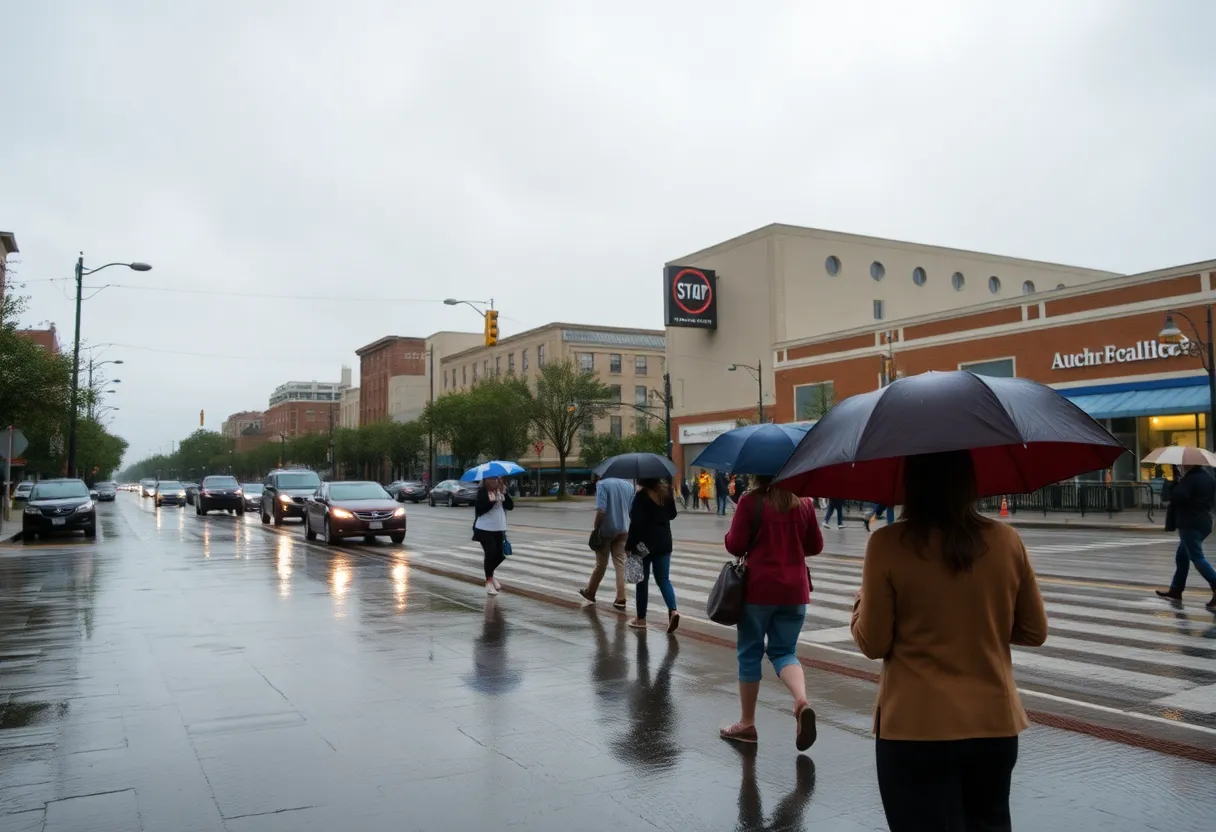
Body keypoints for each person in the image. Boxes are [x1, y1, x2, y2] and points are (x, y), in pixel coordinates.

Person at [851, 450, 1048, 830]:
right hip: (994, 724)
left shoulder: (888, 544)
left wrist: (858, 610)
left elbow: (874, 643)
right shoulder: (1006, 540)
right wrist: (983, 618)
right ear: (969, 483)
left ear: (912, 484)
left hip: (914, 728)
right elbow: (1034, 631)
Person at [719, 476, 823, 750]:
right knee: (784, 652)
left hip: (758, 591)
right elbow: (815, 545)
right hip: (794, 591)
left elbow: (735, 544)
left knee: (750, 652)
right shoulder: (804, 503)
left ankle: (747, 723)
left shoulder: (750, 501)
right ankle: (801, 700)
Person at [1156, 463, 1216, 610]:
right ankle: (1176, 589)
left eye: (1183, 464)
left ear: (1190, 464)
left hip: (1190, 522)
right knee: (1182, 556)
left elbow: (1177, 496)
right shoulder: (1208, 477)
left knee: (1197, 557)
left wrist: (1176, 482)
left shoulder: (1190, 479)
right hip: (1204, 521)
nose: (1182, 465)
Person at [625, 478, 680, 632]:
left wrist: (629, 545)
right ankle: (673, 610)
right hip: (664, 541)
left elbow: (635, 523)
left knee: (642, 581)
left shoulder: (641, 496)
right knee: (663, 579)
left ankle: (641, 619)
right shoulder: (666, 492)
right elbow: (672, 515)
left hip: (644, 544)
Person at [580, 474, 634, 611]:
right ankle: (621, 598)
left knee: (601, 564)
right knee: (620, 563)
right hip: (624, 528)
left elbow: (602, 509)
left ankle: (591, 593)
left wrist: (596, 525)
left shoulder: (603, 485)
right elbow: (630, 509)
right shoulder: (628, 485)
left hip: (607, 529)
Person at [472, 475, 514, 595]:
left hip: (499, 528)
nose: (494, 481)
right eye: (490, 479)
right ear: (485, 481)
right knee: (490, 553)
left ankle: (490, 574)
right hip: (484, 529)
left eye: (496, 479)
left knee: (500, 556)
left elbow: (510, 507)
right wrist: (493, 500)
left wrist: (504, 494)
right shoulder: (482, 492)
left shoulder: (501, 491)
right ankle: (489, 582)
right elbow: (480, 510)